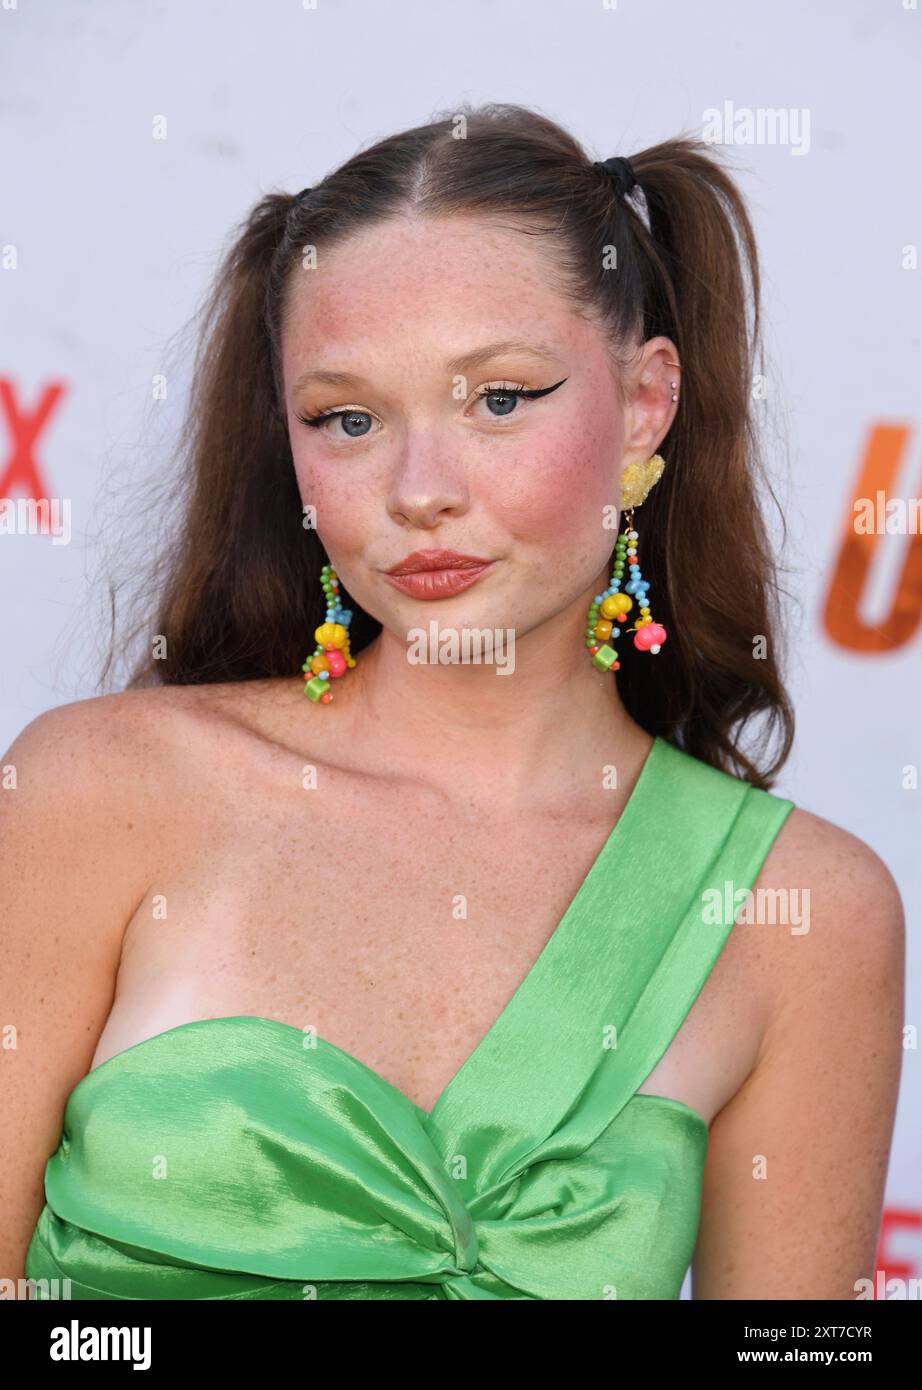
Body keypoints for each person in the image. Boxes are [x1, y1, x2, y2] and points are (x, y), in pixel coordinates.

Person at [2, 104, 904, 1300]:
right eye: (347, 419)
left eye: (500, 399)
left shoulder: (802, 911)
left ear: (645, 402)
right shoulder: (99, 792)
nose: (419, 490)